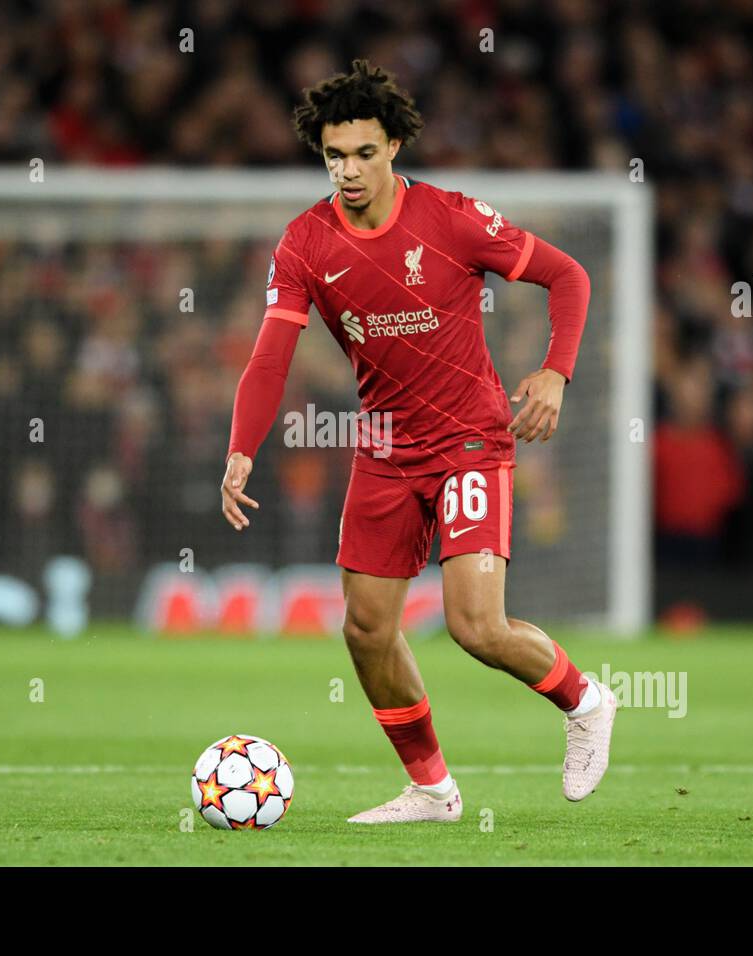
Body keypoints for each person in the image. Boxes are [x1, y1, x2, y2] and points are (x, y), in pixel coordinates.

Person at [219, 60, 615, 823]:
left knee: (474, 626)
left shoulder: (452, 219)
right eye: (335, 156)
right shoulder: (304, 243)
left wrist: (556, 374)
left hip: (470, 439)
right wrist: (242, 448)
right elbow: (270, 355)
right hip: (384, 451)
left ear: (394, 146)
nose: (349, 170)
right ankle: (433, 790)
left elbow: (568, 277)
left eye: (364, 152)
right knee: (366, 630)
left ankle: (587, 701)